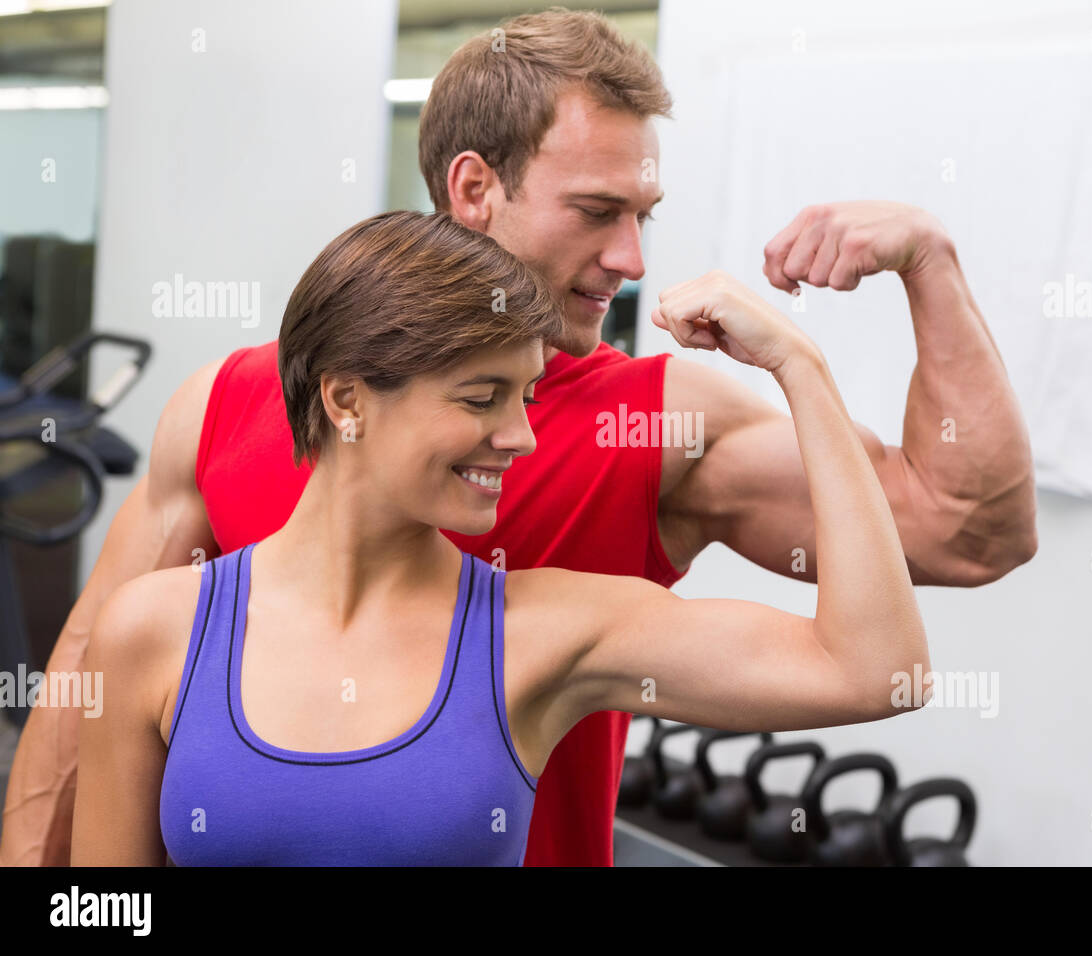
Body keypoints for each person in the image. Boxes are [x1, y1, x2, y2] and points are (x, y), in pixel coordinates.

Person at [3, 8, 1036, 867]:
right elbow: (89, 681)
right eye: (595, 210)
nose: (629, 256)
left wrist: (927, 266)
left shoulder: (659, 420)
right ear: (472, 187)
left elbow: (966, 533)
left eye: (644, 214)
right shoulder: (229, 400)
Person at [68, 210, 930, 865]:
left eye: (524, 396)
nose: (520, 435)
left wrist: (802, 370)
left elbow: (876, 672)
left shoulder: (544, 633)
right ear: (346, 400)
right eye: (482, 399)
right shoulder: (156, 630)